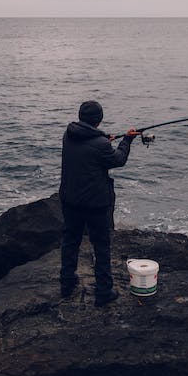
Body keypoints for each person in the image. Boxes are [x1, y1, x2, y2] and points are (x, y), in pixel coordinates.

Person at [59, 100, 138, 307]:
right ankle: (104, 291)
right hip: (95, 203)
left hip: (70, 199)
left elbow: (91, 145)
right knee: (101, 246)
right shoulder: (100, 144)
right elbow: (118, 159)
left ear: (80, 117)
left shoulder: (69, 135)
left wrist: (105, 138)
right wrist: (126, 141)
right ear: (99, 119)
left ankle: (66, 283)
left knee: (70, 241)